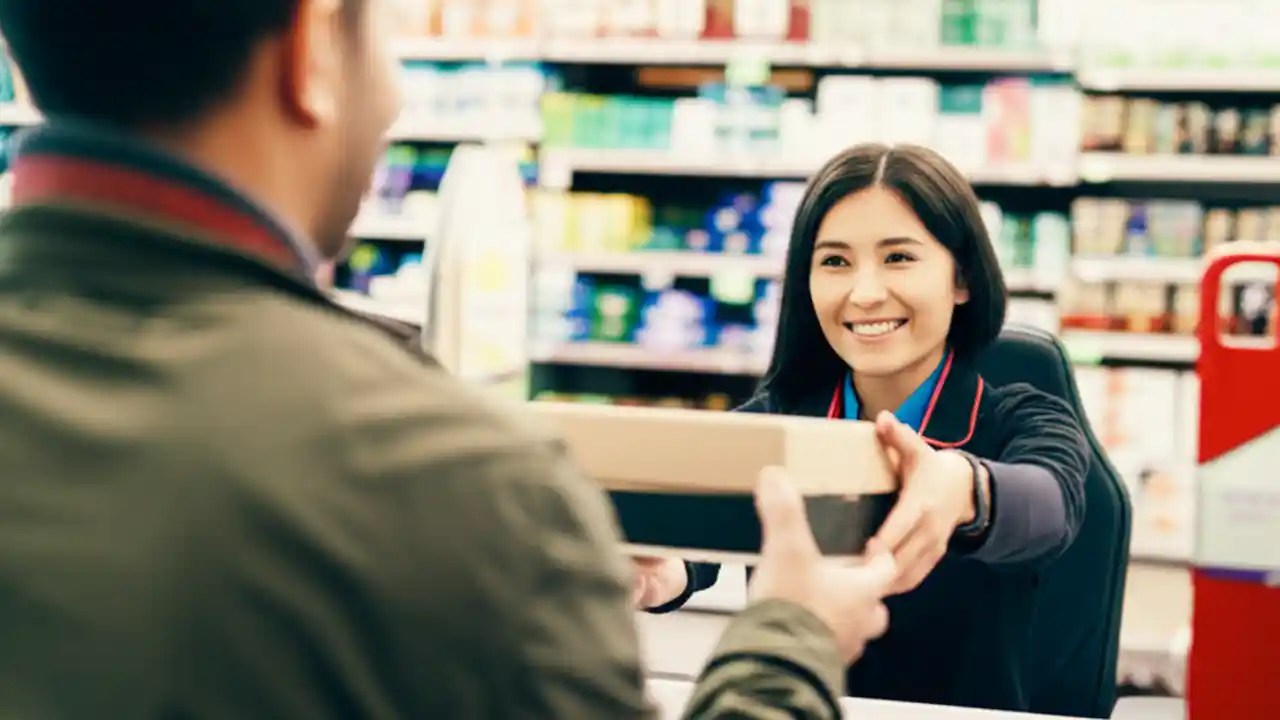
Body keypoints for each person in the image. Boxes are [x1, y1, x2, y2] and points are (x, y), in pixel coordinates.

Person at [0, 1, 900, 717]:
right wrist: (789, 641)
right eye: (382, 33)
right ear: (312, 46)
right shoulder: (452, 481)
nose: (391, 99)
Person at [635, 143, 1090, 712]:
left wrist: (963, 488)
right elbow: (698, 534)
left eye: (898, 258)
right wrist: (660, 574)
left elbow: (1051, 505)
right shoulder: (777, 420)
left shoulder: (1022, 416)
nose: (865, 292)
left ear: (962, 279)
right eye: (835, 261)